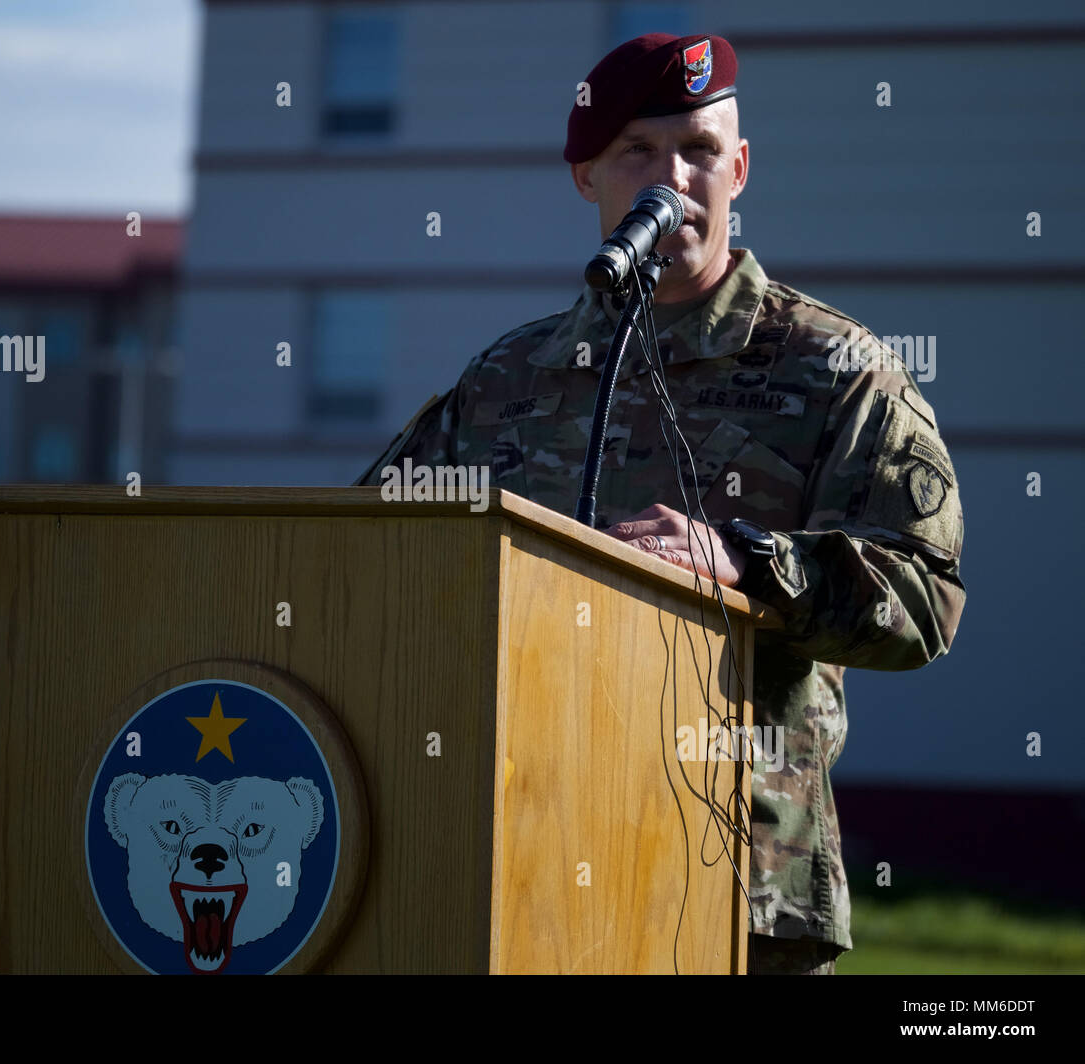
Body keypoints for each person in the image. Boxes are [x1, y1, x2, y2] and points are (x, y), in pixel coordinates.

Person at [353, 32, 965, 974]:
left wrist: (750, 563)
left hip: (739, 889)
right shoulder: (509, 378)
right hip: (518, 863)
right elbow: (365, 554)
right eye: (637, 153)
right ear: (586, 177)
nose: (671, 179)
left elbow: (923, 600)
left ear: (741, 169)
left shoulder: (838, 370)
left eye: (699, 152)